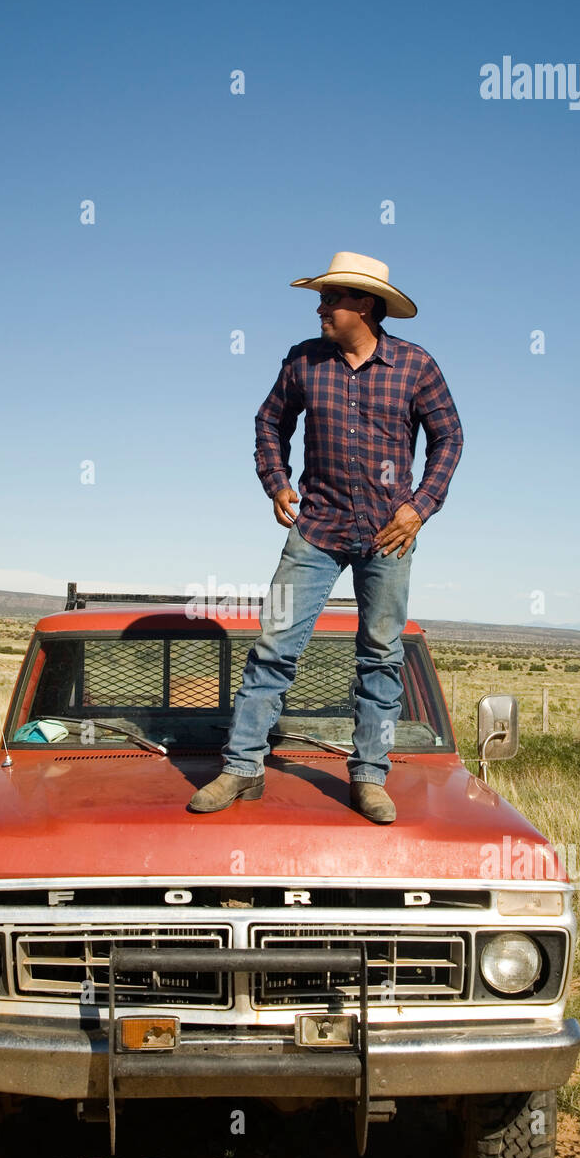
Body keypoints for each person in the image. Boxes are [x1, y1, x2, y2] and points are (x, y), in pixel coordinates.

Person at [189, 252, 463, 823]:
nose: (320, 308)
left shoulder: (416, 367)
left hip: (390, 536)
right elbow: (270, 422)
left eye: (330, 299)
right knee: (273, 646)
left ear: (364, 305)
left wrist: (419, 509)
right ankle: (242, 769)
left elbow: (450, 439)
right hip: (315, 529)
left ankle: (368, 776)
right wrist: (276, 480)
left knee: (382, 656)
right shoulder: (303, 362)